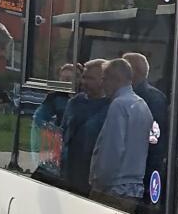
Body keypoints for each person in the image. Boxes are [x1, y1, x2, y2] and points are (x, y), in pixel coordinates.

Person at [91, 57, 151, 199]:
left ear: (116, 79)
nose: (102, 84)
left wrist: (98, 183)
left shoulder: (119, 105)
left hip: (114, 188)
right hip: (135, 187)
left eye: (105, 79)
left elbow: (112, 149)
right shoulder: (142, 105)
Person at [120, 52, 169, 194]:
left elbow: (154, 139)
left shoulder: (153, 99)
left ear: (134, 72)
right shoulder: (120, 95)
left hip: (141, 170)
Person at [62, 59, 110, 192]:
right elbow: (63, 132)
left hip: (92, 178)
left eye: (90, 78)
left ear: (103, 80)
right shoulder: (74, 102)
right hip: (68, 174)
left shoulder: (113, 107)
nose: (84, 82)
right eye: (83, 77)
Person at [33, 61, 81, 170]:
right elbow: (39, 116)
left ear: (78, 79)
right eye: (63, 78)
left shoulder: (85, 97)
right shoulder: (55, 97)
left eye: (68, 79)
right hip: (60, 145)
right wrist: (55, 133)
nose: (65, 82)